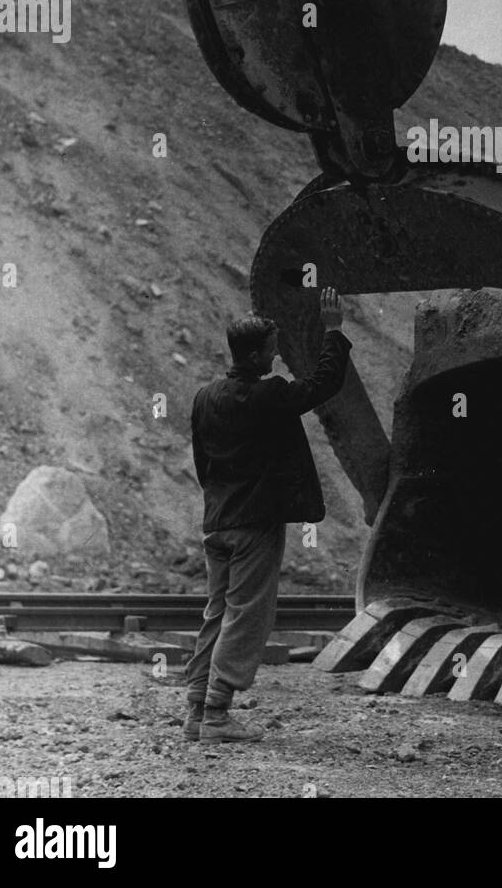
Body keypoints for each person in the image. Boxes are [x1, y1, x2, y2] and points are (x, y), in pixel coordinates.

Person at [183, 288, 351, 743]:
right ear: (256, 354)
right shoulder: (269, 395)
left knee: (217, 612)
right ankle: (217, 715)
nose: (277, 357)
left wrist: (220, 500)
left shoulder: (204, 397)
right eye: (273, 350)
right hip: (254, 525)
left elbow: (203, 463)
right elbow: (323, 385)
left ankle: (195, 711)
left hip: (217, 521)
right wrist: (333, 330)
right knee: (247, 615)